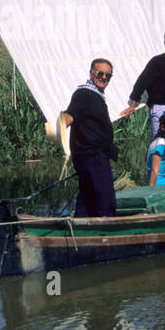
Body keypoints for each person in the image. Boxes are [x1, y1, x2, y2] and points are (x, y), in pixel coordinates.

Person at [62, 58, 119, 217]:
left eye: (108, 75)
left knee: (87, 197)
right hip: (93, 155)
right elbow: (70, 115)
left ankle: (81, 229)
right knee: (105, 199)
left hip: (89, 155)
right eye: (100, 73)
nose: (104, 77)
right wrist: (58, 128)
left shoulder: (94, 94)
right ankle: (106, 231)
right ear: (91, 73)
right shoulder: (84, 93)